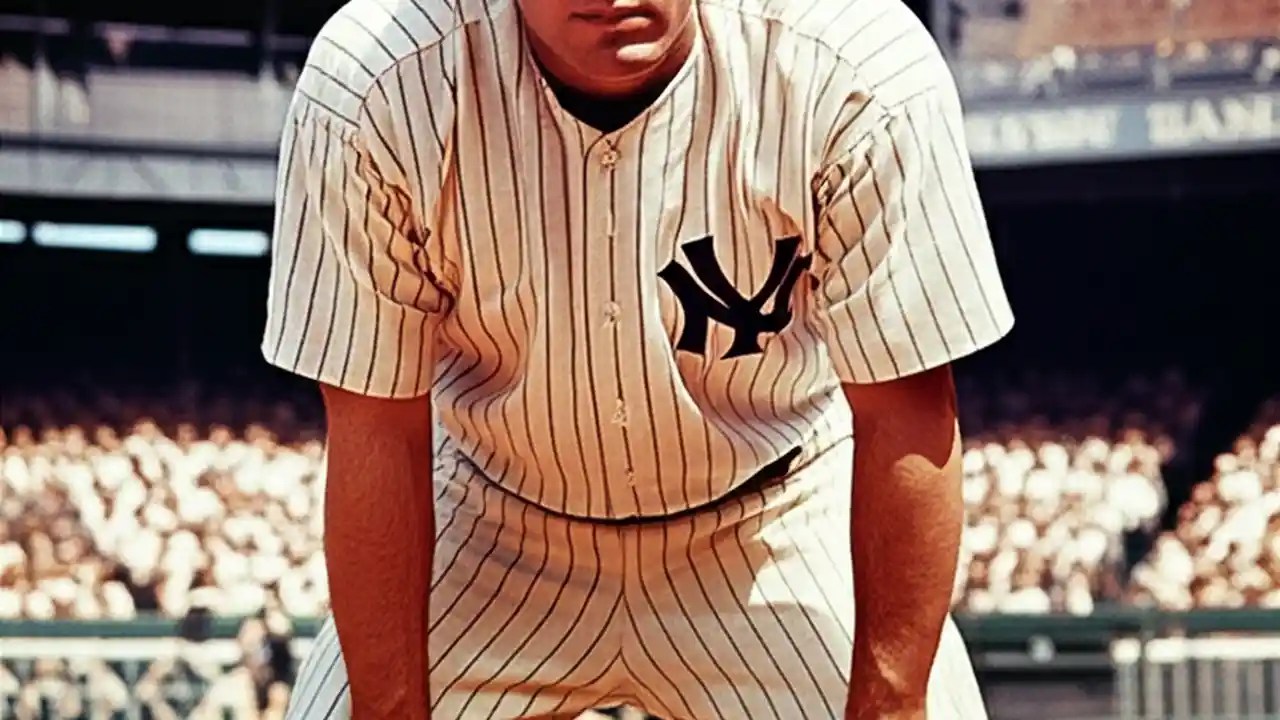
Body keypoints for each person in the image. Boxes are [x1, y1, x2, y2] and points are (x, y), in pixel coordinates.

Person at [262, 0, 1014, 717]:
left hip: (774, 518)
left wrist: (891, 705)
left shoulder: (856, 66)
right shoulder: (375, 82)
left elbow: (905, 413)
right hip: (491, 527)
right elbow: (376, 428)